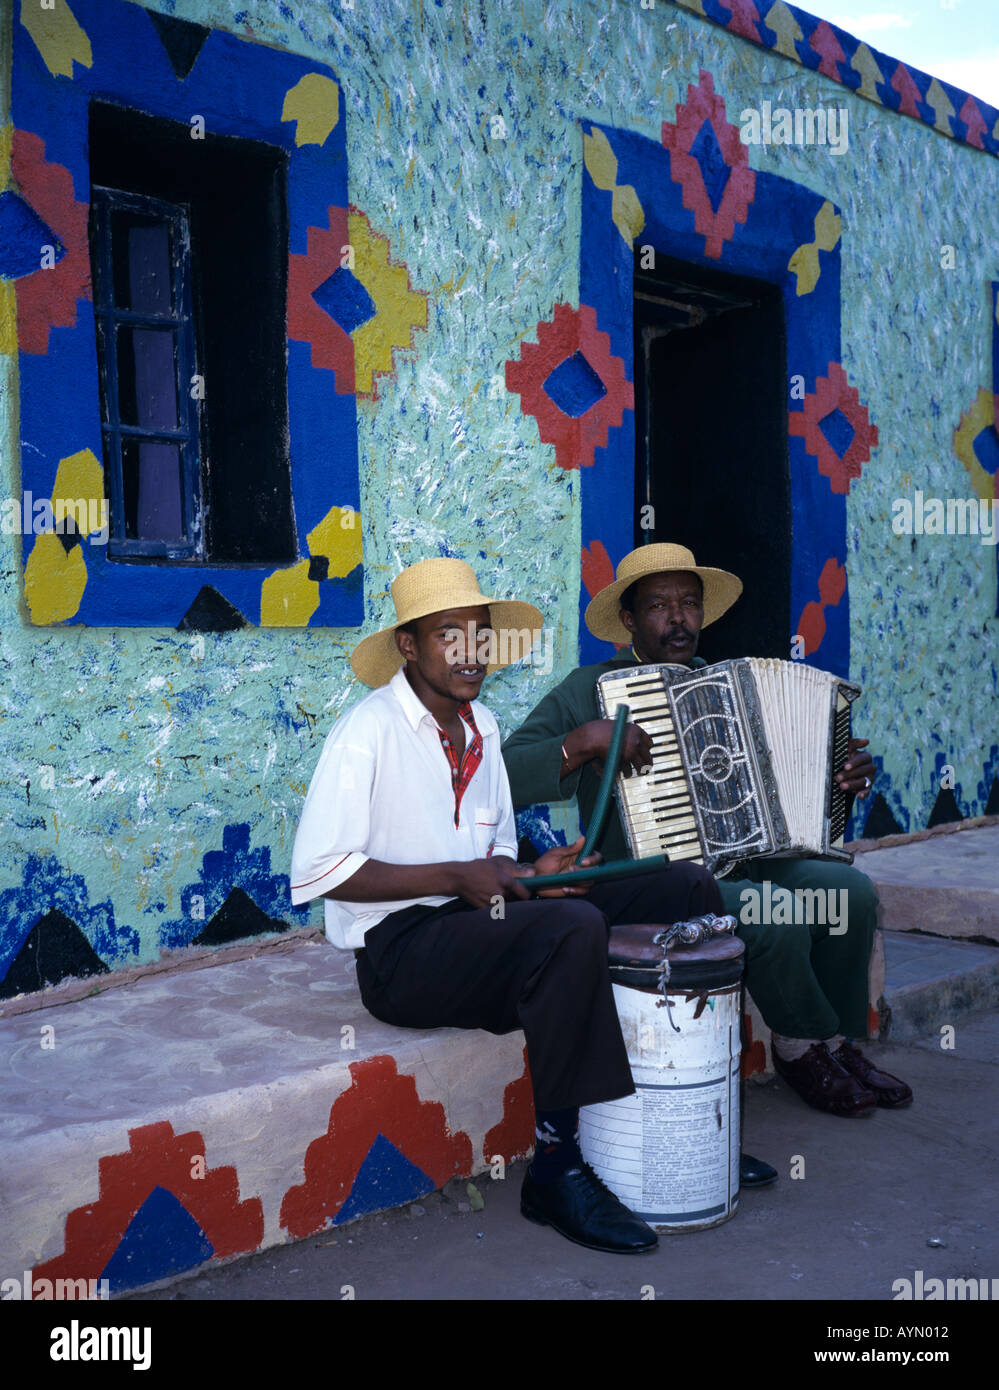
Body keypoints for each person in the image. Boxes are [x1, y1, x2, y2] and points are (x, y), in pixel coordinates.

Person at [291, 556, 725, 1254]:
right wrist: (461, 876)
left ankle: (680, 1129)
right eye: (447, 636)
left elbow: (491, 865)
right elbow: (320, 873)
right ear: (408, 644)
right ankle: (554, 1168)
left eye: (480, 637)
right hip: (401, 958)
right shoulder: (366, 732)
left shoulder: (483, 728)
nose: (470, 655)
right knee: (570, 929)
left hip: (472, 926)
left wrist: (536, 872)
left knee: (682, 885)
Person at [503, 543, 913, 1121]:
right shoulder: (589, 687)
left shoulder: (729, 683)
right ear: (628, 621)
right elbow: (506, 772)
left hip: (747, 855)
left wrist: (839, 777)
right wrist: (584, 742)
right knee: (774, 913)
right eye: (658, 606)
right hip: (658, 879)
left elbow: (780, 788)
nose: (677, 618)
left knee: (849, 893)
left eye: (689, 604)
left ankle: (839, 1043)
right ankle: (800, 1047)